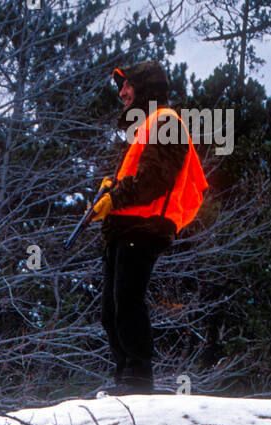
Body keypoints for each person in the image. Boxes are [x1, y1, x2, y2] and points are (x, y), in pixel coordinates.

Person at [91, 61, 207, 394]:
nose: (122, 93)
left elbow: (155, 180)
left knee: (126, 302)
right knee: (111, 310)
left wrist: (115, 197)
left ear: (146, 88)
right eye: (120, 88)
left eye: (127, 85)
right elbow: (143, 177)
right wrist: (112, 190)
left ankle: (137, 381)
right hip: (127, 227)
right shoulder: (146, 127)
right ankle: (126, 380)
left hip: (143, 226)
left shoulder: (165, 120)